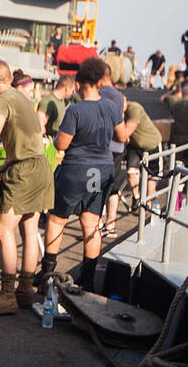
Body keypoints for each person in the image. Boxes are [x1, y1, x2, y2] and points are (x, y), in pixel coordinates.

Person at [37, 58, 125, 292]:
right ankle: (88, 280)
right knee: (91, 223)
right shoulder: (112, 107)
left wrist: (60, 140)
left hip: (75, 170)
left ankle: (47, 274)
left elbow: (61, 144)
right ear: (99, 82)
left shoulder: (75, 110)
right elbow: (122, 136)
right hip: (102, 169)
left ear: (78, 84)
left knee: (57, 220)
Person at [0, 63, 54, 315]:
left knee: (2, 228)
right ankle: (25, 291)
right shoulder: (21, 97)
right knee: (29, 228)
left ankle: (7, 295)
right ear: (10, 77)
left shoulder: (2, 100)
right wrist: (5, 164)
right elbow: (27, 140)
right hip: (41, 167)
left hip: (24, 172)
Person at [98, 62, 127, 238]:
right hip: (117, 148)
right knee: (114, 187)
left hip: (103, 146)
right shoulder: (119, 96)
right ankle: (111, 225)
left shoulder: (101, 94)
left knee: (98, 186)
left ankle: (97, 225)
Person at [120, 98, 163, 208]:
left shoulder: (134, 108)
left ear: (125, 99)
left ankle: (148, 203)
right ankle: (136, 198)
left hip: (151, 143)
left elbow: (126, 132)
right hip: (135, 145)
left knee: (152, 175)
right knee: (131, 171)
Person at [37, 74, 76, 140]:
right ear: (66, 88)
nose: (73, 93)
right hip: (50, 143)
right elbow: (40, 126)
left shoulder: (61, 101)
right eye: (72, 90)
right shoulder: (47, 102)